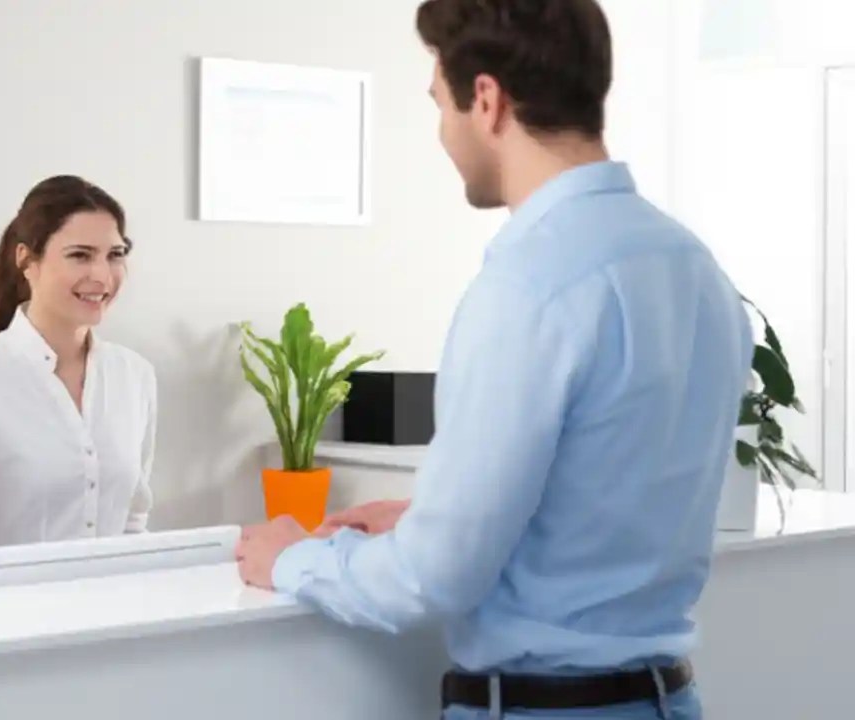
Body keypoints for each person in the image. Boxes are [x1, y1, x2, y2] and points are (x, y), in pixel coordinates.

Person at [235, 2, 752, 718]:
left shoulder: (530, 284)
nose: (442, 134)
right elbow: (614, 496)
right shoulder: (696, 270)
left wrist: (290, 557)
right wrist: (446, 513)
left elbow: (429, 579)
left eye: (440, 105)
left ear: (486, 100)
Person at [0, 175, 157, 550]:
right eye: (80, 255)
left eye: (115, 254)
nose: (102, 275)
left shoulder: (135, 376)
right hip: (8, 608)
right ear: (26, 260)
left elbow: (132, 525)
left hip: (119, 606)